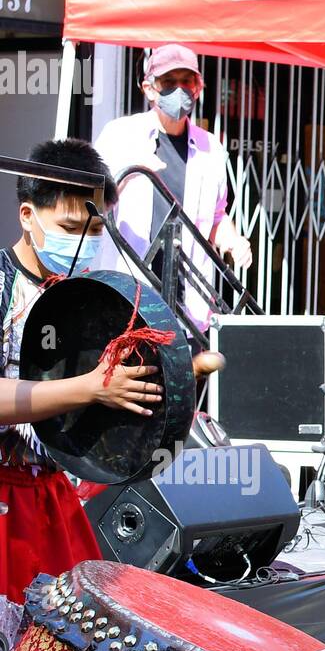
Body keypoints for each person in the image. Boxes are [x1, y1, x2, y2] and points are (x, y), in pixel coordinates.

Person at [0, 140, 161, 604]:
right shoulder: (1, 284)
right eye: (70, 227)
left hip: (55, 501)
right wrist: (91, 388)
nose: (84, 240)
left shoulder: (84, 298)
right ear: (28, 216)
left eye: (94, 230)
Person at [94, 45, 251, 334]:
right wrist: (129, 173)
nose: (179, 91)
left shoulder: (211, 148)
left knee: (183, 377)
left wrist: (232, 240)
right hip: (128, 296)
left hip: (186, 303)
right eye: (168, 82)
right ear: (149, 89)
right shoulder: (119, 136)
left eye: (186, 81)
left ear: (199, 87)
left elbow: (216, 217)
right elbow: (91, 204)